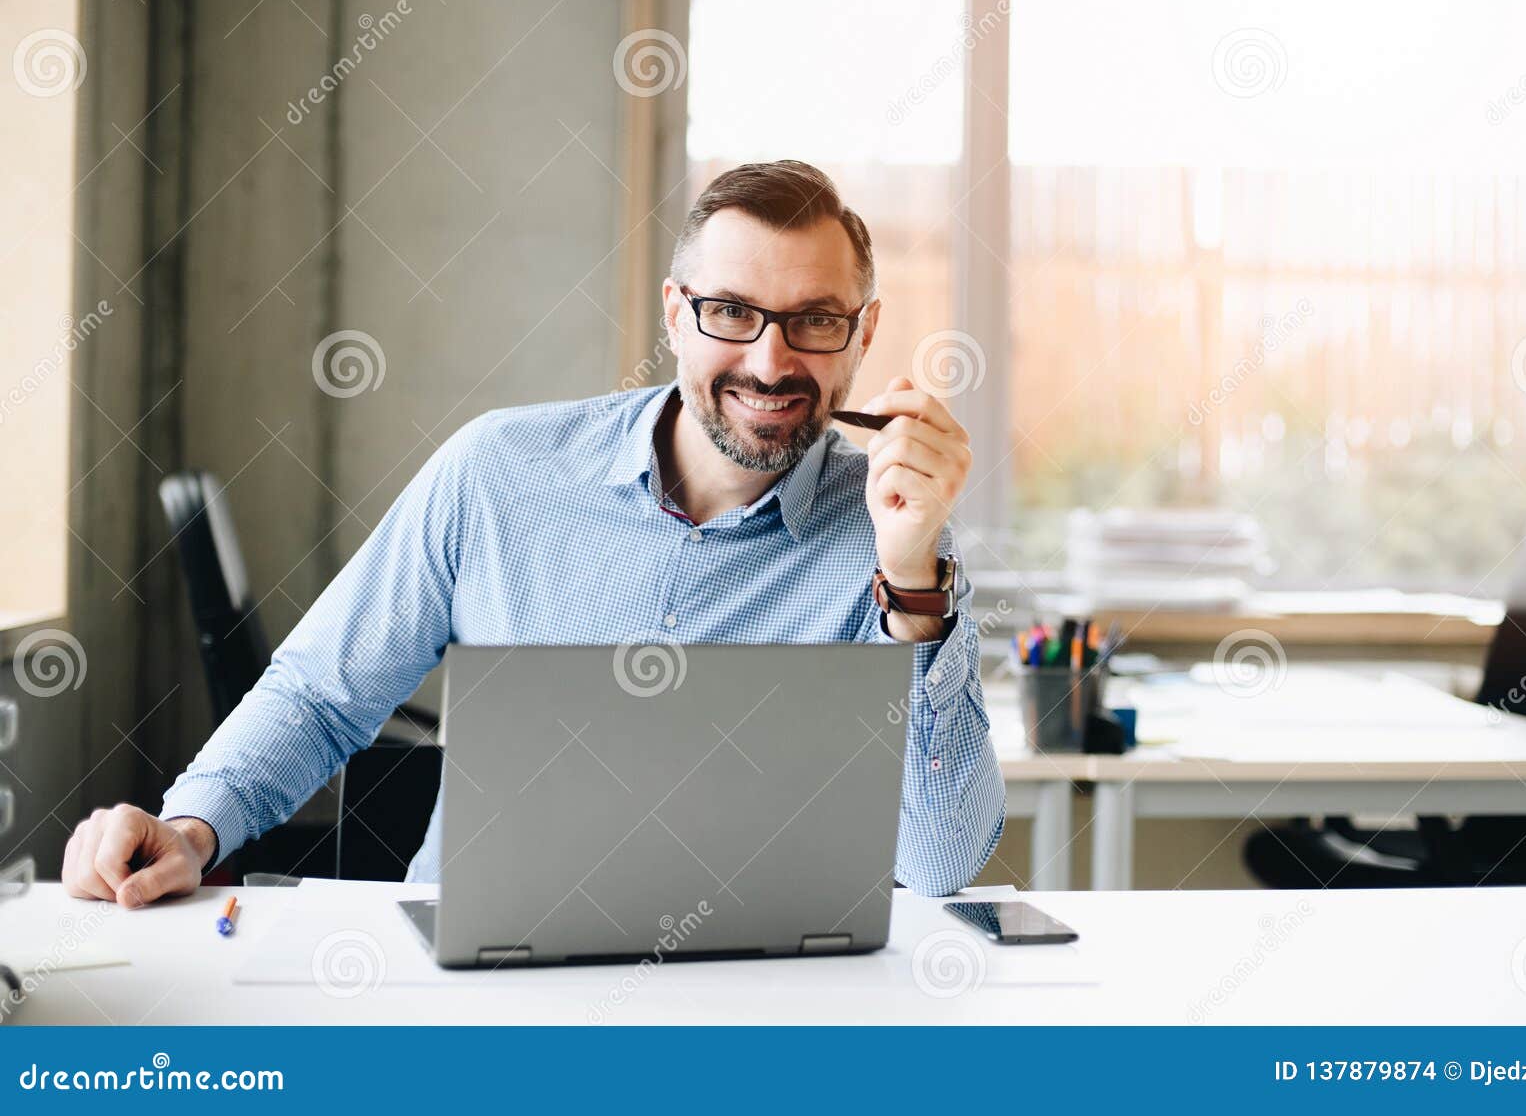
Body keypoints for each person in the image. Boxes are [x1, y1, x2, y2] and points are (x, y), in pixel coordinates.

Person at [62, 159, 1005, 906]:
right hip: (474, 1002)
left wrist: (914, 577)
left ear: (864, 332)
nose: (771, 359)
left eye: (815, 321)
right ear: (677, 314)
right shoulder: (498, 472)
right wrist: (191, 828)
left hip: (742, 1011)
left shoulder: (894, 532)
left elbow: (938, 864)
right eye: (731, 312)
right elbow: (320, 695)